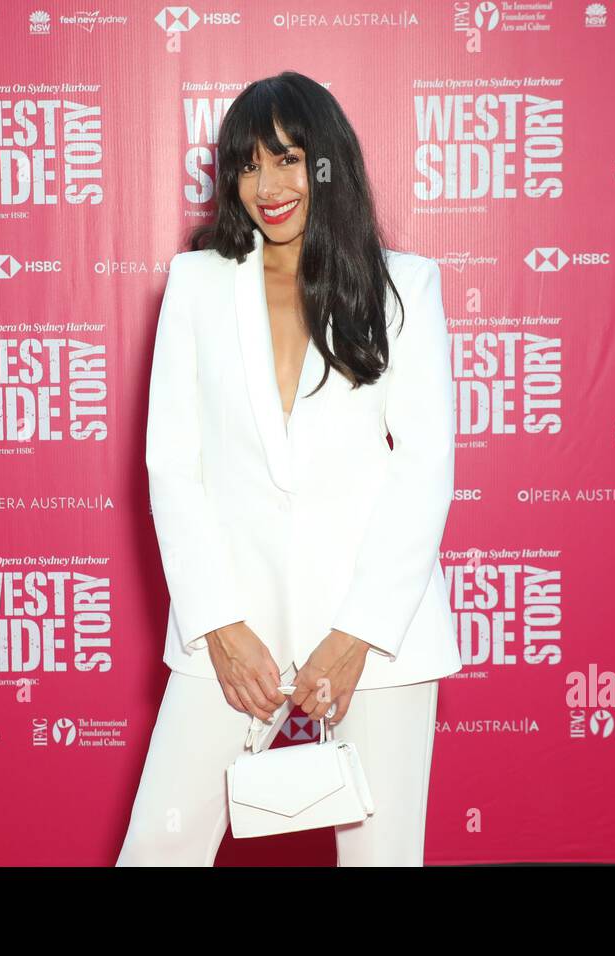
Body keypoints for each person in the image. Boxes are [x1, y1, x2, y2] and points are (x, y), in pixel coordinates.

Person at [116, 71, 461, 867]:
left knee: (382, 861)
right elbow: (173, 464)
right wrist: (219, 624)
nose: (266, 186)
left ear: (327, 163)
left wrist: (358, 636)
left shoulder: (403, 285)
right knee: (155, 852)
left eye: (288, 160)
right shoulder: (197, 286)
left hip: (377, 637)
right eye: (247, 164)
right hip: (233, 632)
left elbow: (424, 468)